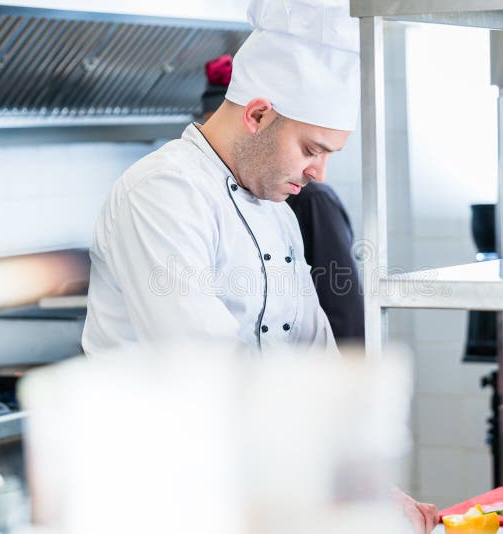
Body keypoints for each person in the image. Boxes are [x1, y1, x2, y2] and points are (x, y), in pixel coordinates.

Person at [82, 0, 436, 530]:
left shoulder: (277, 211)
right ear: (258, 114)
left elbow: (316, 361)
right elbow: (210, 369)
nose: (319, 172)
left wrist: (370, 486)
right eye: (312, 149)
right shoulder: (160, 193)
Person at [201, 54, 365, 344]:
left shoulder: (304, 202)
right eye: (311, 150)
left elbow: (341, 314)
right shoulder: (176, 192)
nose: (318, 173)